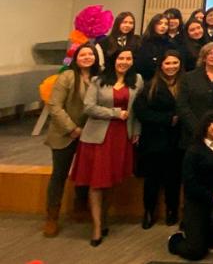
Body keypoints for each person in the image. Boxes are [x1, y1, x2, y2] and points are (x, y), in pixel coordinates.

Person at [71, 49, 144, 246]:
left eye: (129, 58)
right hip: (97, 137)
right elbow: (89, 107)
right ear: (114, 60)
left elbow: (137, 110)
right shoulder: (98, 80)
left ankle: (104, 218)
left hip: (122, 137)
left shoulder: (137, 80)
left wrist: (136, 130)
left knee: (112, 181)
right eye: (121, 58)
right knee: (96, 183)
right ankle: (96, 227)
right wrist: (114, 113)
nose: (125, 62)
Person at [42, 45, 99, 237]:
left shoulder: (98, 78)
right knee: (59, 174)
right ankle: (52, 216)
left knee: (85, 172)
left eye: (90, 54)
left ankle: (80, 206)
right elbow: (54, 106)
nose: (87, 57)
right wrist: (72, 129)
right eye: (83, 54)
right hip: (65, 133)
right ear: (76, 58)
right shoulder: (66, 76)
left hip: (89, 134)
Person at [167, 110, 213, 260]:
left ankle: (212, 236)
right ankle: (175, 239)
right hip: (197, 200)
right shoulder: (193, 149)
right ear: (206, 123)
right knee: (195, 252)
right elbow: (189, 184)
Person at [134, 50, 184, 229]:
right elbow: (141, 111)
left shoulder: (186, 83)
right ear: (161, 65)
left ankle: (172, 210)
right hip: (154, 139)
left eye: (175, 63)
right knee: (152, 179)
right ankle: (148, 211)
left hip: (178, 139)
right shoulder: (150, 85)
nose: (171, 67)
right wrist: (167, 119)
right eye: (168, 63)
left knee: (174, 179)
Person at [177, 42, 213, 159]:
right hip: (192, 132)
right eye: (209, 53)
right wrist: (199, 129)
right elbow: (182, 105)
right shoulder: (189, 77)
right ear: (203, 57)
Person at [133, 14, 172, 81]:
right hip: (145, 78)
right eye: (159, 23)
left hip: (164, 79)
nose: (163, 26)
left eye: (166, 24)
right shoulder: (143, 41)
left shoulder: (170, 42)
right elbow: (140, 64)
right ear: (153, 25)